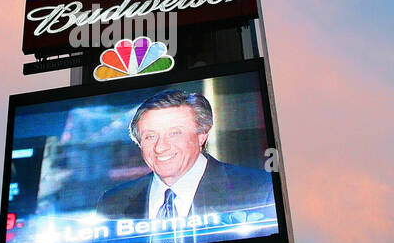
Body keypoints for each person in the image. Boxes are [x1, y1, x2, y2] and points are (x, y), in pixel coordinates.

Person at [96, 89, 274, 221]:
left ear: (202, 134)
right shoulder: (112, 203)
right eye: (150, 136)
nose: (160, 147)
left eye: (174, 133)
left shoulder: (260, 190)